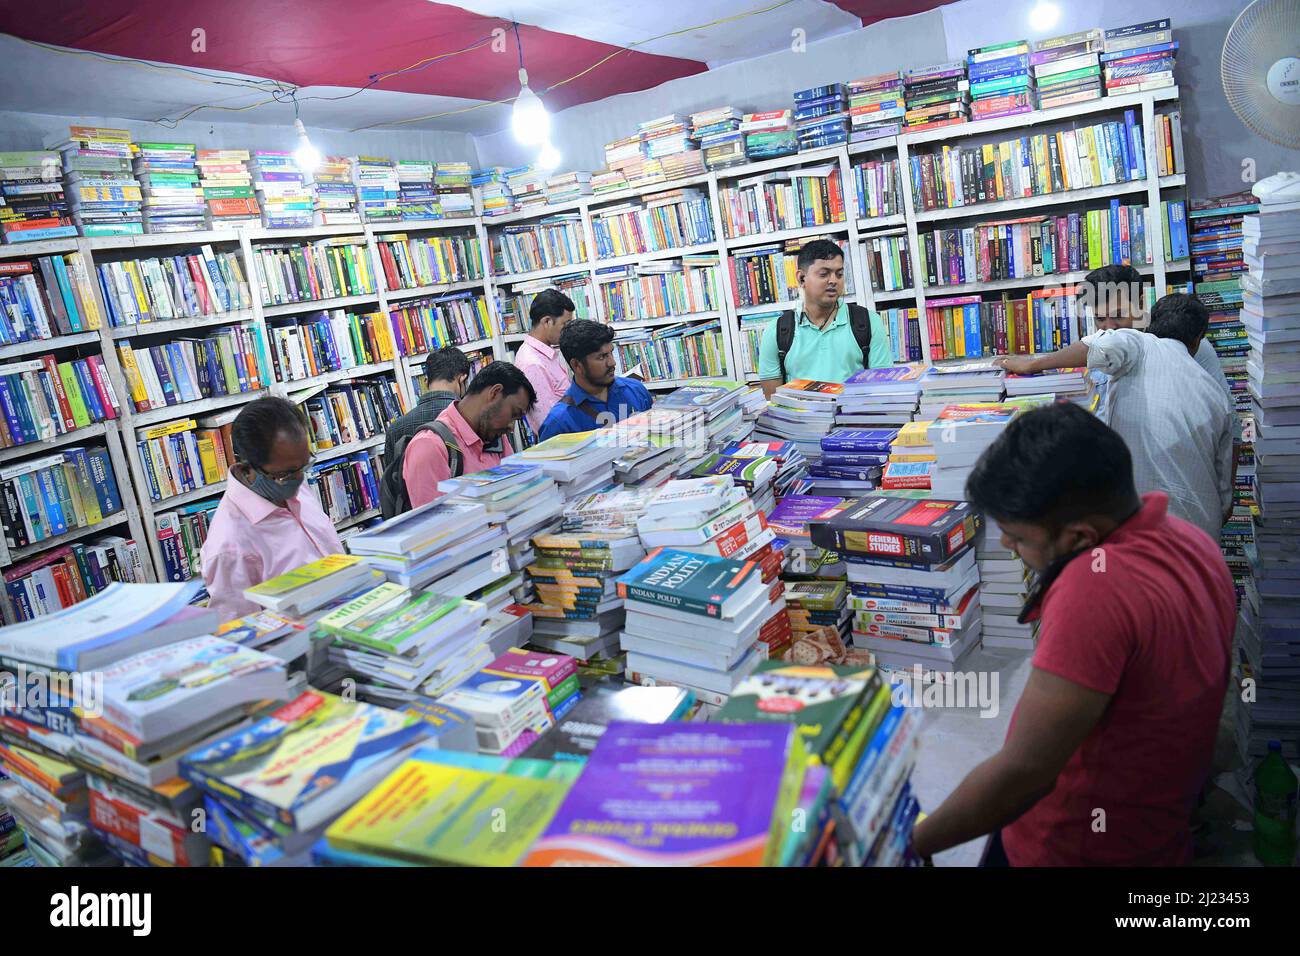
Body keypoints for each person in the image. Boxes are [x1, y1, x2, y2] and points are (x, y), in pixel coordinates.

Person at [910, 403, 1235, 866]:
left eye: (1019, 538)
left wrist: (912, 843)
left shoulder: (1095, 589)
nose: (1007, 545)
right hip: (1158, 836)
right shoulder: (1189, 538)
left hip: (1072, 847)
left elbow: (1025, 773)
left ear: (1080, 538)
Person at [996, 295, 1234, 540]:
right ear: (1197, 340)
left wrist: (1032, 365)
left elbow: (1101, 346)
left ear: (1150, 324)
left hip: (1145, 532)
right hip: (1202, 538)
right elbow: (1225, 491)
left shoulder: (1141, 342)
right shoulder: (1216, 395)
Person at [201, 396, 343, 623]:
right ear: (248, 468)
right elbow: (240, 632)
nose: (299, 479)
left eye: (304, 466)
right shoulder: (229, 546)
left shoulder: (293, 484)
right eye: (285, 474)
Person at [1077, 263, 1233, 410]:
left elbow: (1223, 409)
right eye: (1100, 319)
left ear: (1140, 303)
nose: (1109, 327)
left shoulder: (1187, 339)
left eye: (1118, 315)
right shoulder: (1097, 347)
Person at [757, 238, 893, 398]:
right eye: (824, 274)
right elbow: (774, 402)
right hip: (801, 420)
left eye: (839, 274)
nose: (833, 281)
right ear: (801, 278)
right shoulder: (777, 331)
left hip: (855, 419)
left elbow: (882, 390)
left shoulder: (868, 322)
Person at [402, 361, 536, 508]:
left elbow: (515, 492)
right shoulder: (429, 447)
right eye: (513, 414)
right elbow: (433, 525)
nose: (511, 427)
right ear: (495, 392)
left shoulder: (495, 436)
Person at [537, 319, 653, 441]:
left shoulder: (636, 391)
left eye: (611, 353)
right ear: (577, 365)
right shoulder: (559, 423)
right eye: (602, 357)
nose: (612, 363)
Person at [382, 346, 470, 464]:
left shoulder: (395, 429)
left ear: (426, 382)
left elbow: (392, 480)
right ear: (462, 379)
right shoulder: (470, 416)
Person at [514, 288, 576, 435]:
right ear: (547, 322)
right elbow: (548, 424)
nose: (569, 331)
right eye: (565, 325)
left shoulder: (547, 353)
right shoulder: (532, 364)